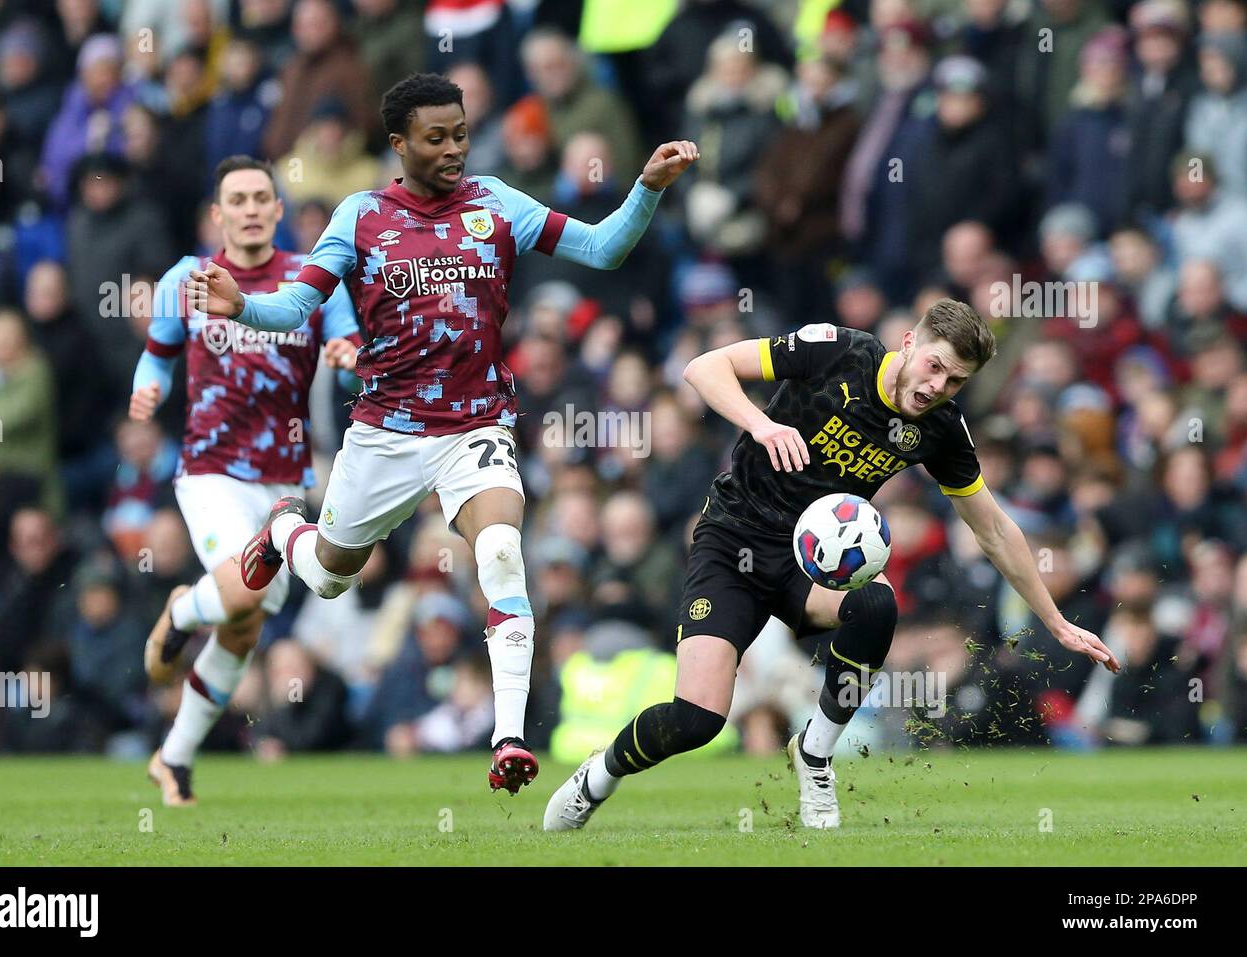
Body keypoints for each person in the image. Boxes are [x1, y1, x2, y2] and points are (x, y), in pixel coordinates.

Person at [185, 73, 697, 794]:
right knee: (331, 577)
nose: (454, 147)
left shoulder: (497, 204)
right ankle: (281, 532)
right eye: (436, 137)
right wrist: (245, 306)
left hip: (476, 424)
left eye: (460, 133)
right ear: (399, 144)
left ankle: (511, 737)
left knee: (501, 551)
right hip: (384, 431)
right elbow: (300, 304)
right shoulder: (360, 215)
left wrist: (646, 186)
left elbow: (603, 249)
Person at [544, 299, 1120, 831]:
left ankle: (815, 754)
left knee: (876, 603)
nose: (937, 386)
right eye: (935, 366)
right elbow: (704, 367)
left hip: (812, 563)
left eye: (955, 380)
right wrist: (762, 425)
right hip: (733, 541)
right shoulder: (838, 350)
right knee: (696, 720)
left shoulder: (940, 428)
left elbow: (992, 527)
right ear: (909, 341)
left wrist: (1055, 620)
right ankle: (598, 778)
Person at [129, 155, 360, 806]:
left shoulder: (313, 281)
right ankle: (182, 611)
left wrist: (346, 359)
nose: (252, 208)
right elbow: (159, 353)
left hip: (286, 476)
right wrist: (148, 386)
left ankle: (173, 759)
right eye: (239, 198)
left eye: (263, 197)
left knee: (242, 625)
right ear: (218, 214)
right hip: (211, 469)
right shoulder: (188, 279)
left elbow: (348, 358)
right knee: (239, 590)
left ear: (278, 211)